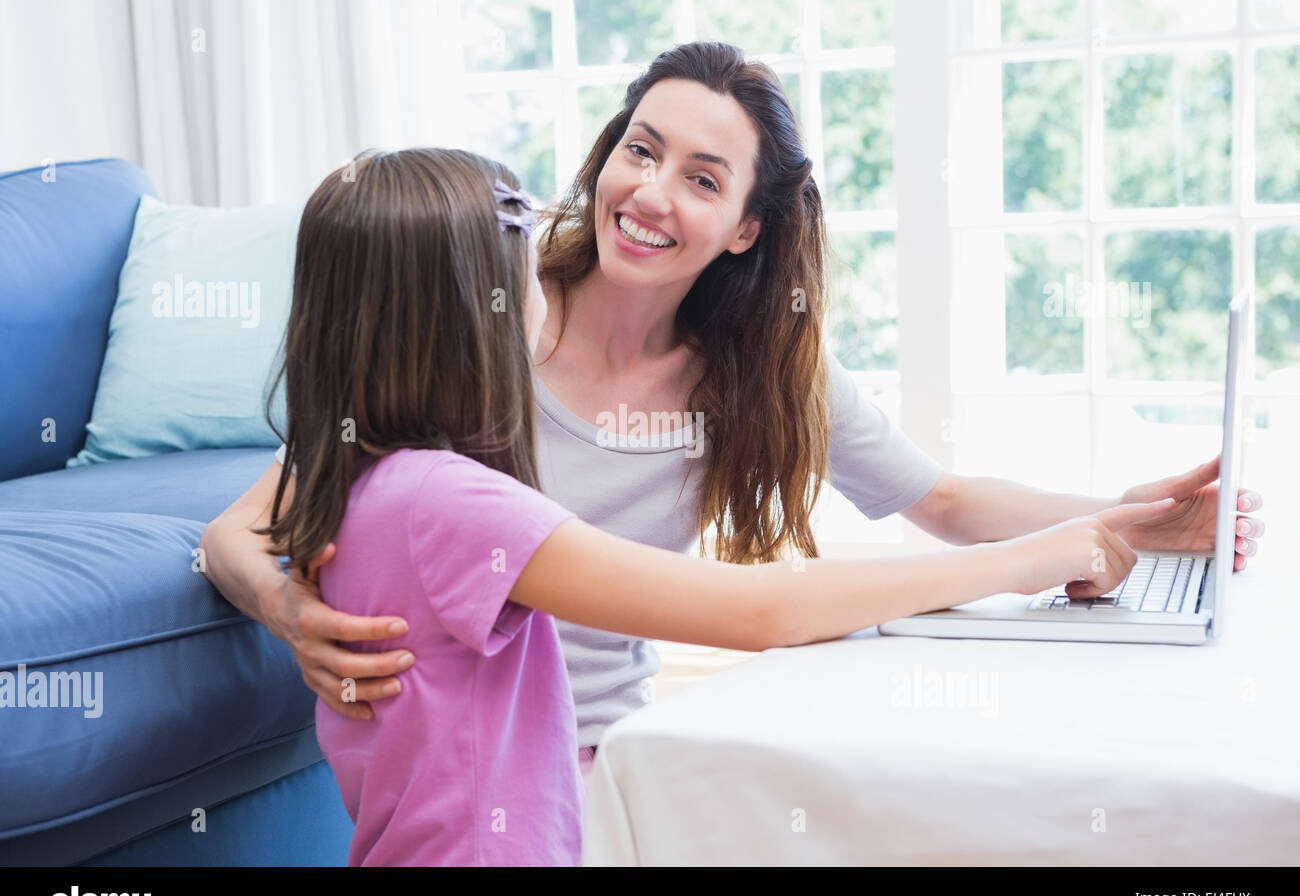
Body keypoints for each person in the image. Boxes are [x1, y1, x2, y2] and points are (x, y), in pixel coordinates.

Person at [201, 42, 1265, 789]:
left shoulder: (755, 370)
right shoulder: (473, 331)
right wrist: (291, 611)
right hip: (482, 761)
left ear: (747, 228)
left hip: (612, 750)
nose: (651, 192)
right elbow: (235, 533)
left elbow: (936, 495)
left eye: (701, 178)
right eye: (641, 148)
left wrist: (1119, 521)